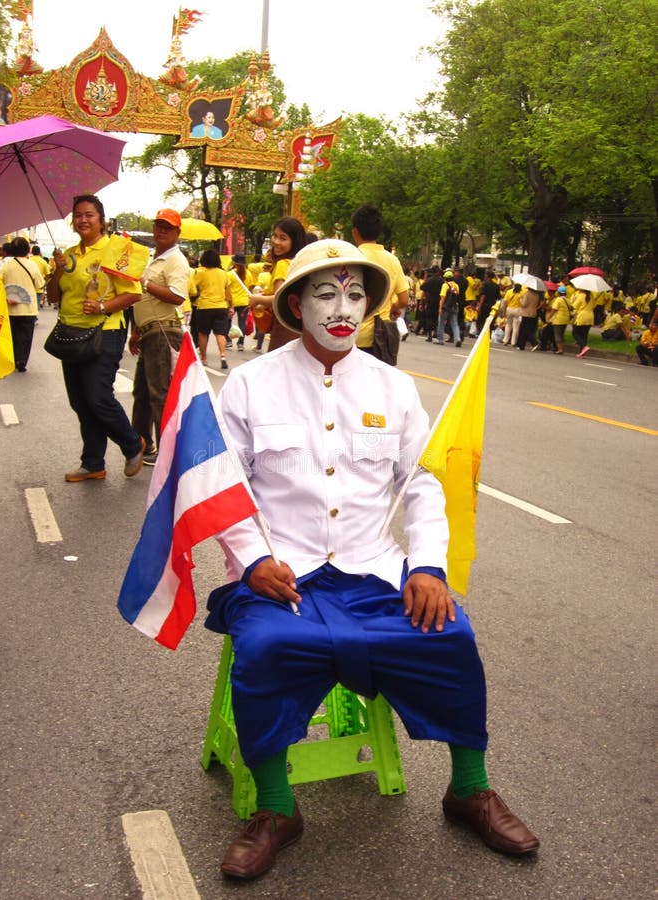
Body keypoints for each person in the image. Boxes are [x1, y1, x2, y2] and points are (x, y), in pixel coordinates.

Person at [208, 238, 539, 881]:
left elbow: (423, 483)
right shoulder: (250, 385)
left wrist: (428, 567)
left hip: (374, 568)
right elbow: (225, 487)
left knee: (450, 635)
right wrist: (251, 561)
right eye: (325, 295)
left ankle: (469, 790)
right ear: (296, 305)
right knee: (269, 648)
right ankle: (277, 807)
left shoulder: (394, 386)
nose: (342, 309)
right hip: (282, 572)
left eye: (355, 295)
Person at [46, 194, 144, 482]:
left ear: (101, 220)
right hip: (71, 334)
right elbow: (54, 297)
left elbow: (134, 293)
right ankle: (93, 464)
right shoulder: (69, 254)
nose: (83, 220)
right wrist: (58, 270)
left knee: (98, 397)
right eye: (78, 215)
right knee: (80, 401)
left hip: (105, 331)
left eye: (89, 215)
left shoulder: (116, 250)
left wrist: (103, 306)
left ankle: (132, 443)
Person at [129, 209, 189, 467]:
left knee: (159, 394)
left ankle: (167, 450)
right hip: (149, 332)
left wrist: (145, 283)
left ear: (177, 232)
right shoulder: (153, 258)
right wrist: (136, 330)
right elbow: (145, 301)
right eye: (158, 225)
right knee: (142, 392)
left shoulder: (176, 260)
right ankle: (143, 443)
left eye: (168, 227)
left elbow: (177, 296)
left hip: (164, 332)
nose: (161, 230)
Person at [351, 205, 409, 365]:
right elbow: (404, 300)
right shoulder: (392, 260)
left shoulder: (351, 257)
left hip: (351, 332)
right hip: (380, 336)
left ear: (355, 231)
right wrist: (393, 307)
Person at [248, 217, 306, 353]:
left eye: (283, 238)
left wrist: (257, 299)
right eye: (275, 236)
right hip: (301, 326)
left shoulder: (282, 264)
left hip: (284, 327)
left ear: (294, 241)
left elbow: (280, 299)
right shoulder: (299, 263)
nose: (276, 242)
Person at [0, 236, 44, 372]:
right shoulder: (32, 265)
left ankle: (11, 358)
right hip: (28, 309)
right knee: (25, 337)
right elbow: (40, 284)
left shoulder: (5, 266)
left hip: (9, 309)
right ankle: (21, 361)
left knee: (12, 335)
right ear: (28, 250)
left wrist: (6, 297)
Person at [193, 248, 233, 369]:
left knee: (203, 333)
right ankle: (223, 356)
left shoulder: (200, 272)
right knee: (220, 333)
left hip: (204, 306)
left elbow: (192, 287)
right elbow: (228, 292)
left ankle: (204, 358)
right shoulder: (223, 273)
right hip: (221, 307)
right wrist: (231, 306)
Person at [228, 254, 253, 351]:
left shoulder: (230, 274)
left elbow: (227, 289)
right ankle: (240, 344)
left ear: (235, 263)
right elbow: (250, 288)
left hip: (232, 302)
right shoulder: (248, 274)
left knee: (227, 321)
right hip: (244, 302)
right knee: (242, 323)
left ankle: (229, 341)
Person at [437, 268, 462, 346]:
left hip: (446, 307)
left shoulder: (445, 285)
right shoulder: (456, 285)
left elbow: (443, 298)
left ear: (445, 278)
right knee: (455, 324)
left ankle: (440, 340)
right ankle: (458, 339)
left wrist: (440, 308)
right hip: (455, 306)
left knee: (441, 323)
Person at [571, 288, 595, 357]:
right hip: (590, 316)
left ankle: (584, 346)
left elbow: (574, 306)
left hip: (582, 316)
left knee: (575, 333)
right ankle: (582, 352)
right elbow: (593, 306)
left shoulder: (581, 296)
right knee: (584, 335)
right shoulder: (591, 297)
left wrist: (574, 300)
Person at [547, 285, 571, 354]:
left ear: (558, 292)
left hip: (558, 319)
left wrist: (549, 317)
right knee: (562, 334)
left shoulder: (558, 300)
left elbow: (554, 310)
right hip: (566, 319)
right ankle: (561, 348)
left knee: (557, 334)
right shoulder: (568, 300)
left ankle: (560, 349)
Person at [501, 281, 523, 346]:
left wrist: (504, 312)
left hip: (509, 309)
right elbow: (523, 303)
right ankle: (513, 342)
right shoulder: (522, 293)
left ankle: (505, 340)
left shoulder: (509, 292)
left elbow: (505, 302)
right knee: (516, 327)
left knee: (508, 325)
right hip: (517, 310)